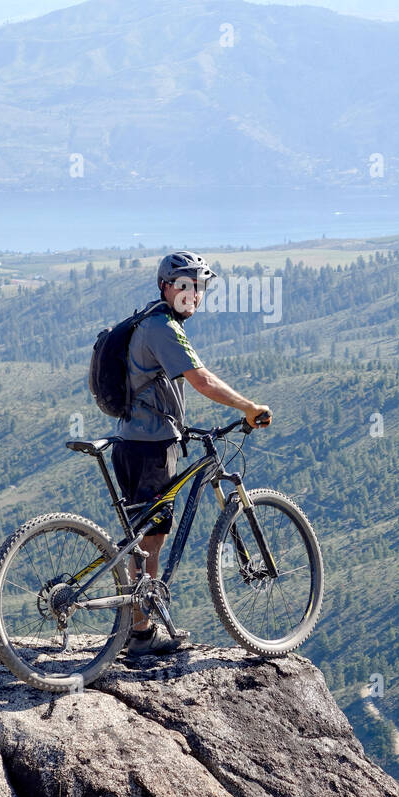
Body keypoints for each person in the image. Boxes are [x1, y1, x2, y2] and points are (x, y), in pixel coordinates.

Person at [112, 250, 272, 656]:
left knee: (146, 536)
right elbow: (201, 380)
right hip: (149, 447)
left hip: (137, 441)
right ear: (166, 287)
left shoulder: (149, 319)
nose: (193, 295)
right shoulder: (163, 327)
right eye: (185, 285)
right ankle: (141, 633)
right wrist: (247, 408)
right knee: (149, 541)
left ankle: (139, 625)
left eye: (198, 287)